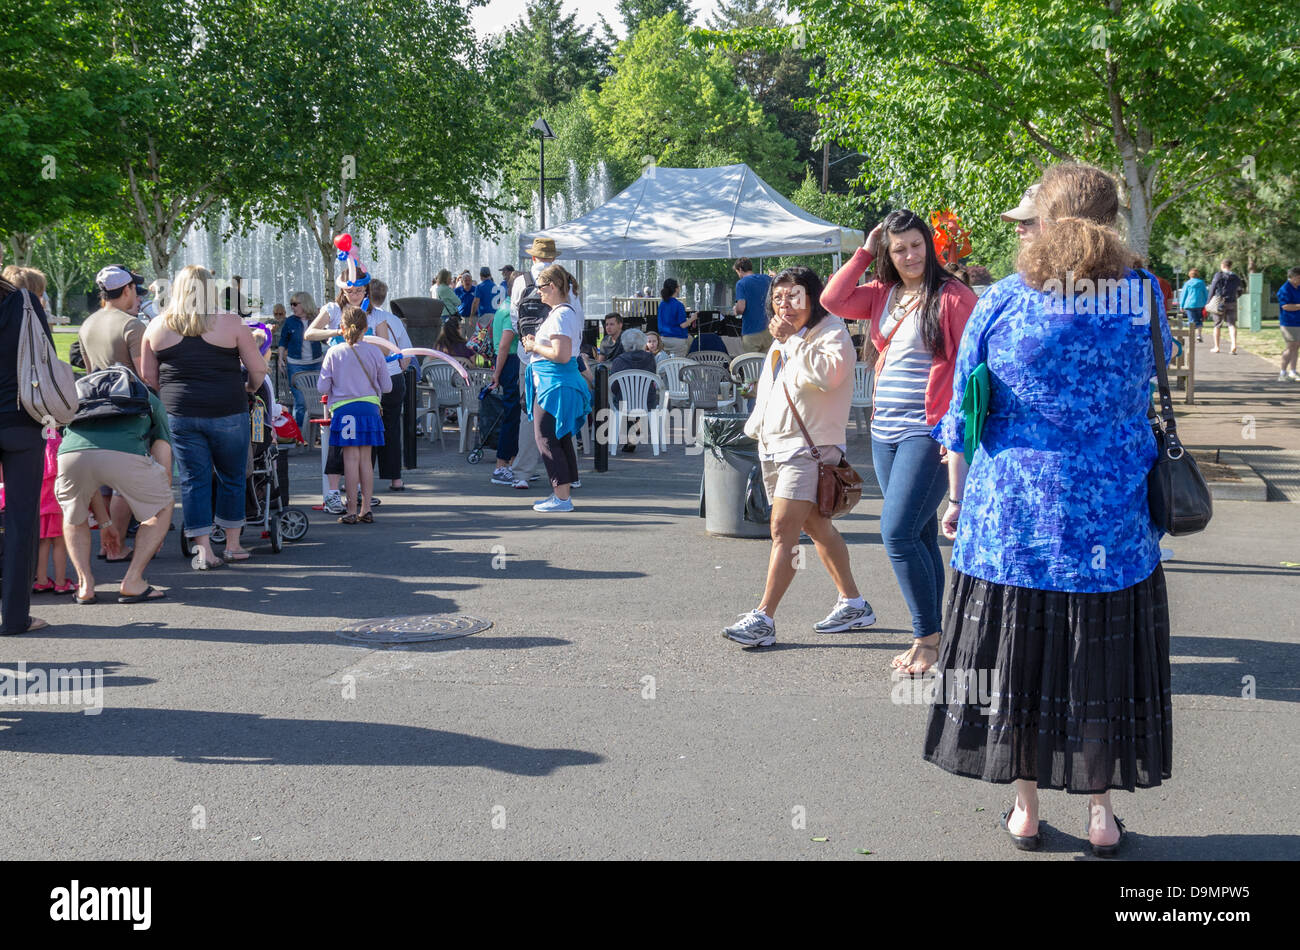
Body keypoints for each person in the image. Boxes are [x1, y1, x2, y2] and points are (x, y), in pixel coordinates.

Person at [924, 162, 1174, 857]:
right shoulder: (1143, 297)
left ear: (1047, 220)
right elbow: (1157, 370)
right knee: (1100, 668)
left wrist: (954, 498)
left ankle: (1026, 810)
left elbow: (963, 417)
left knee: (1020, 666)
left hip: (1013, 526)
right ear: (1111, 219)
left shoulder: (1001, 300)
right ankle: (1101, 815)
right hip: (1112, 524)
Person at [822, 209, 977, 675]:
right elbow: (832, 298)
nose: (909, 255)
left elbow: (974, 366)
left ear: (929, 245)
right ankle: (942, 633)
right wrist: (865, 250)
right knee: (920, 532)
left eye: (915, 245)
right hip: (884, 432)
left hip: (927, 431)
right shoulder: (882, 294)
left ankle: (926, 640)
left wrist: (959, 434)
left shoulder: (951, 296)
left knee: (896, 533)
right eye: (898, 248)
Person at [722, 266, 872, 648]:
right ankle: (854, 602)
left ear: (814, 297)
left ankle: (764, 618)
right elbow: (774, 390)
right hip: (776, 445)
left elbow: (828, 376)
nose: (784, 305)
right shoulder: (782, 338)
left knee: (781, 530)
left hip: (808, 449)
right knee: (818, 528)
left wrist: (794, 340)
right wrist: (758, 431)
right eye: (778, 297)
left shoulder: (831, 332)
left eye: (794, 296)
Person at [142, 265, 266, 570]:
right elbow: (259, 370)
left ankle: (203, 551)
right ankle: (233, 545)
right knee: (232, 476)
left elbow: (148, 376)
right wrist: (249, 387)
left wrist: (173, 394)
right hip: (228, 409)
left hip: (180, 414)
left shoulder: (157, 326)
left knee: (193, 480)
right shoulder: (231, 323)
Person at [55, 372, 175, 603]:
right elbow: (163, 456)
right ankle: (133, 580)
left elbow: (91, 478)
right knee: (164, 506)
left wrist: (106, 523)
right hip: (126, 454)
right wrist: (157, 525)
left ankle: (85, 585)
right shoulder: (149, 398)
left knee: (73, 514)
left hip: (71, 456)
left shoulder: (82, 397)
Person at [303, 241, 394, 513]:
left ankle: (357, 503)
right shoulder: (332, 310)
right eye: (350, 290)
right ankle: (339, 495)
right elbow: (310, 333)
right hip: (344, 386)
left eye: (359, 290)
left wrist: (358, 341)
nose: (355, 294)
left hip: (351, 388)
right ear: (344, 290)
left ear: (366, 290)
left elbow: (384, 346)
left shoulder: (375, 315)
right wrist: (337, 333)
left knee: (357, 452)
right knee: (343, 449)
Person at [0, 275, 57, 633]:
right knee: (22, 520)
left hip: (19, 419)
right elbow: (46, 354)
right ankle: (15, 617)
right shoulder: (22, 302)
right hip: (21, 417)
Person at [507, 238, 580, 491]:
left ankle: (523, 473)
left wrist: (532, 344)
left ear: (533, 258)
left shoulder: (521, 281)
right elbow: (577, 320)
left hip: (531, 359)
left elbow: (515, 317)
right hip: (566, 361)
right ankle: (571, 475)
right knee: (562, 418)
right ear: (554, 258)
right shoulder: (566, 282)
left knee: (532, 419)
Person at [521, 264, 589, 512]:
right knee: (559, 437)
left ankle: (561, 497)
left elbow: (561, 355)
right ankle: (563, 494)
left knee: (546, 437)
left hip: (555, 384)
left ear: (552, 286)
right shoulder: (564, 313)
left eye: (540, 287)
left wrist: (533, 347)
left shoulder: (561, 315)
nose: (538, 292)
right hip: (558, 383)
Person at [318, 305, 391, 524]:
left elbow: (322, 387)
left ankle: (350, 509)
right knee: (366, 461)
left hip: (344, 410)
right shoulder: (375, 352)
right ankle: (366, 508)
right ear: (366, 328)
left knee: (350, 460)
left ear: (341, 327)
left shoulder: (334, 352)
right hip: (369, 409)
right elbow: (386, 386)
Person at [367, 279, 409, 491]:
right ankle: (395, 479)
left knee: (367, 429)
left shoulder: (364, 318)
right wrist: (398, 371)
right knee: (391, 428)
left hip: (369, 381)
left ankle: (361, 479)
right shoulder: (393, 320)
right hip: (393, 379)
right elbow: (407, 353)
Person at [81, 266, 147, 374]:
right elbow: (146, 376)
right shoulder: (131, 325)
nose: (136, 294)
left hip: (97, 389)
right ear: (126, 290)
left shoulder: (86, 324)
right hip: (129, 390)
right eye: (134, 288)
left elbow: (90, 372)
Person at [31, 430, 73, 594]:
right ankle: (61, 582)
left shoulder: (33, 437)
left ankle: (41, 580)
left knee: (42, 542)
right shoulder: (56, 437)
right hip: (56, 500)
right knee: (59, 542)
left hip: (39, 500)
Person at [489, 299, 523, 486]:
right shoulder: (512, 310)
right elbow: (504, 344)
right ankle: (501, 465)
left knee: (515, 414)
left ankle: (512, 464)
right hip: (510, 362)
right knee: (513, 415)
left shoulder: (504, 306)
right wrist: (497, 372)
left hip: (507, 361)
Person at [278, 291, 324, 429]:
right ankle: (297, 434)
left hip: (315, 364)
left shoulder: (317, 319)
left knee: (317, 400)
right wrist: (280, 358)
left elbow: (327, 337)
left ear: (304, 304)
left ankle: (315, 433)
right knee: (301, 401)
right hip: (296, 366)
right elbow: (282, 341)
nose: (292, 307)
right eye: (291, 304)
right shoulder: (290, 321)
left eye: (295, 304)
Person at [733, 257, 773, 352]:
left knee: (751, 365)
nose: (738, 275)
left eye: (737, 272)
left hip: (750, 331)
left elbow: (741, 307)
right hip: (768, 330)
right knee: (767, 365)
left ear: (740, 270)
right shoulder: (767, 279)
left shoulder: (741, 283)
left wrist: (736, 310)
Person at [1208, 259, 1243, 354]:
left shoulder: (1218, 275)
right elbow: (1240, 290)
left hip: (1220, 302)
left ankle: (1217, 347)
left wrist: (1209, 301)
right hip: (1232, 301)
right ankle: (1234, 344)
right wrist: (1235, 297)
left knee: (1217, 324)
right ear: (1230, 266)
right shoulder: (1236, 277)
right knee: (1232, 324)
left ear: (1222, 265)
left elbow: (1213, 288)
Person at [656, 278, 696, 358]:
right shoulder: (679, 305)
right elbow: (683, 325)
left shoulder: (662, 304)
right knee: (678, 366)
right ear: (676, 289)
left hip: (663, 340)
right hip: (677, 340)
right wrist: (693, 318)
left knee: (666, 365)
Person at [1277, 266, 1300, 381]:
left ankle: (1293, 371)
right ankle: (1282, 373)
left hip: (1298, 321)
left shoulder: (1298, 287)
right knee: (1291, 347)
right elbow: (1285, 306)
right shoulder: (1285, 289)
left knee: (1296, 347)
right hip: (1289, 322)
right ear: (1295, 277)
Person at [1178, 267, 1208, 344]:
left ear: (1190, 275)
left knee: (1191, 321)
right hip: (1200, 304)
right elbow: (1205, 294)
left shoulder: (1187, 283)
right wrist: (1206, 304)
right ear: (1197, 275)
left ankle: (1192, 337)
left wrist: (1181, 305)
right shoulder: (1201, 283)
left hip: (1189, 305)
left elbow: (1184, 295)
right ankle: (1199, 335)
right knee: (1199, 320)